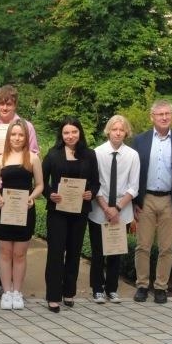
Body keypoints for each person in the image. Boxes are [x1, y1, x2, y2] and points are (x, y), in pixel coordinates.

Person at [131, 100, 172, 304]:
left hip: (170, 199)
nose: (164, 117)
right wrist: (133, 201)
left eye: (168, 113)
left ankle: (160, 287)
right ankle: (142, 285)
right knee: (143, 245)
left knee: (167, 247)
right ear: (152, 117)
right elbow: (133, 172)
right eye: (160, 114)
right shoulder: (140, 141)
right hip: (145, 198)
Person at [0, 85, 39, 300]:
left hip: (20, 193)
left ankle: (14, 288)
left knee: (18, 245)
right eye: (1, 103)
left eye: (9, 103)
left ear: (15, 104)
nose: (4, 107)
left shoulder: (27, 127)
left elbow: (33, 155)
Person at [42, 117, 99, 313]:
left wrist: (91, 192)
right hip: (57, 211)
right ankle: (53, 296)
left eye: (74, 132)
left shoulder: (90, 155)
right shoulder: (52, 155)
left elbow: (96, 182)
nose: (70, 136)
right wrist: (51, 194)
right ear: (61, 134)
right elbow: (42, 183)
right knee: (56, 253)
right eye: (66, 132)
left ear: (80, 133)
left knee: (74, 252)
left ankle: (69, 292)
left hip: (79, 211)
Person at [0, 120, 43, 311]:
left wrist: (31, 197)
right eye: (14, 134)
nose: (17, 138)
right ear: (8, 137)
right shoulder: (0, 159)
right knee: (5, 253)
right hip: (4, 211)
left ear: (26, 137)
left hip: (25, 210)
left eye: (21, 135)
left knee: (19, 254)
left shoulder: (33, 158)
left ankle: (17, 292)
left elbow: (40, 185)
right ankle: (6, 292)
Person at [88, 115, 140, 304]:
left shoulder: (133, 155)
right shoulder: (97, 153)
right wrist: (106, 208)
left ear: (126, 132)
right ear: (108, 131)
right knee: (98, 252)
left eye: (121, 129)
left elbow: (134, 186)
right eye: (114, 129)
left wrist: (117, 208)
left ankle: (112, 289)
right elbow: (95, 183)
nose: (118, 132)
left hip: (121, 211)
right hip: (99, 209)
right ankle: (97, 289)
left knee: (115, 252)